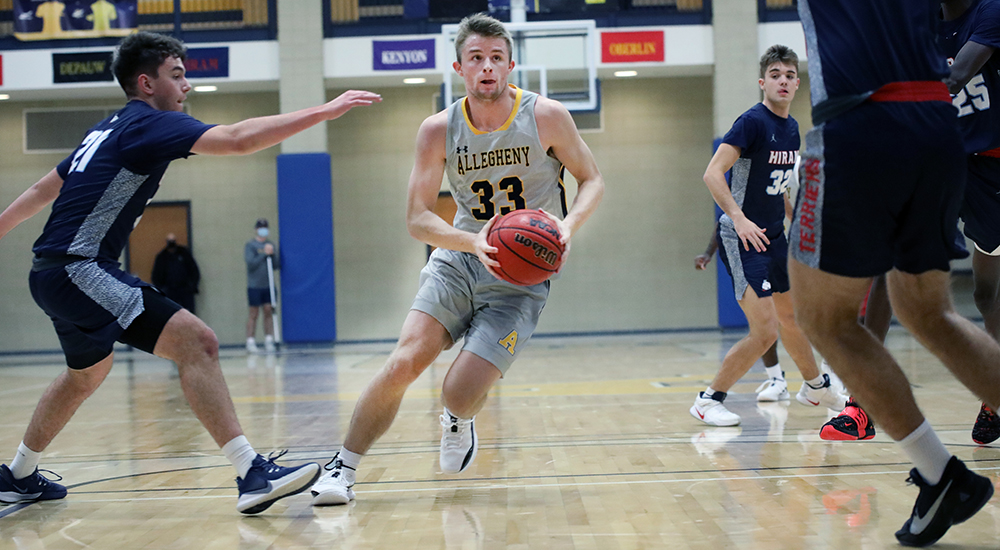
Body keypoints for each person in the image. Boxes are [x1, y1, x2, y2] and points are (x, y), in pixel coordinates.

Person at [0, 31, 381, 513]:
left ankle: (18, 475)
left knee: (85, 374)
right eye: (177, 75)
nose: (186, 87)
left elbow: (43, 188)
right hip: (81, 270)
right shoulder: (147, 123)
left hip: (51, 273)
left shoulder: (106, 129)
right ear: (146, 84)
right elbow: (239, 139)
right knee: (198, 343)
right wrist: (323, 111)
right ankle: (251, 473)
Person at [310, 12, 604, 506]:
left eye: (496, 58)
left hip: (521, 280)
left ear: (510, 66)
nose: (487, 66)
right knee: (404, 362)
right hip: (460, 261)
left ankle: (457, 417)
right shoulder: (438, 129)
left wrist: (567, 226)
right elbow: (418, 218)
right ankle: (343, 467)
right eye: (476, 58)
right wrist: (471, 242)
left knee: (457, 391)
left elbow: (592, 179)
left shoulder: (547, 116)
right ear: (459, 67)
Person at [789, 1, 999, 545]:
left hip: (859, 125)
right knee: (930, 313)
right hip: (937, 124)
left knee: (824, 319)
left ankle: (940, 473)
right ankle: (943, 480)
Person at [690, 44, 846, 428]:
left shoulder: (791, 128)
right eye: (775, 75)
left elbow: (779, 188)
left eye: (790, 75)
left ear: (797, 84)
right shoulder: (752, 122)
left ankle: (815, 386)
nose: (783, 81)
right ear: (763, 82)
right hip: (743, 238)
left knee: (791, 317)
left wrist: (798, 223)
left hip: (775, 237)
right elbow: (712, 173)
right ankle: (709, 400)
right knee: (765, 331)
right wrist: (739, 218)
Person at [939, 0, 1000, 446]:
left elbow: (957, 74)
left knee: (987, 292)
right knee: (896, 254)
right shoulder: (922, 20)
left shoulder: (990, 11)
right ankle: (858, 405)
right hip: (947, 161)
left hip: (992, 164)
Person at [695, 222, 784, 395]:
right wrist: (708, 253)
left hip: (782, 250)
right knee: (765, 326)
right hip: (753, 255)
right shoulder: (740, 209)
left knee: (790, 320)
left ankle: (818, 381)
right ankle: (776, 379)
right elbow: (725, 220)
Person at [245, 218, 278, 354]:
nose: (263, 230)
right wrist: (263, 254)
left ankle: (269, 339)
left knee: (268, 310)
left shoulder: (271, 244)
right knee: (254, 313)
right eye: (261, 227)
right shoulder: (250, 245)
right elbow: (251, 263)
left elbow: (276, 265)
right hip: (254, 286)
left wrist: (272, 254)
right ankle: (250, 341)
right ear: (256, 229)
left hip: (268, 285)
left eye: (265, 227)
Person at [151, 233, 200, 313]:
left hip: (185, 290)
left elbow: (194, 270)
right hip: (169, 291)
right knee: (171, 313)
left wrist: (192, 286)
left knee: (188, 313)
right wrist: (161, 290)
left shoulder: (184, 254)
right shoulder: (162, 257)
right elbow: (156, 275)